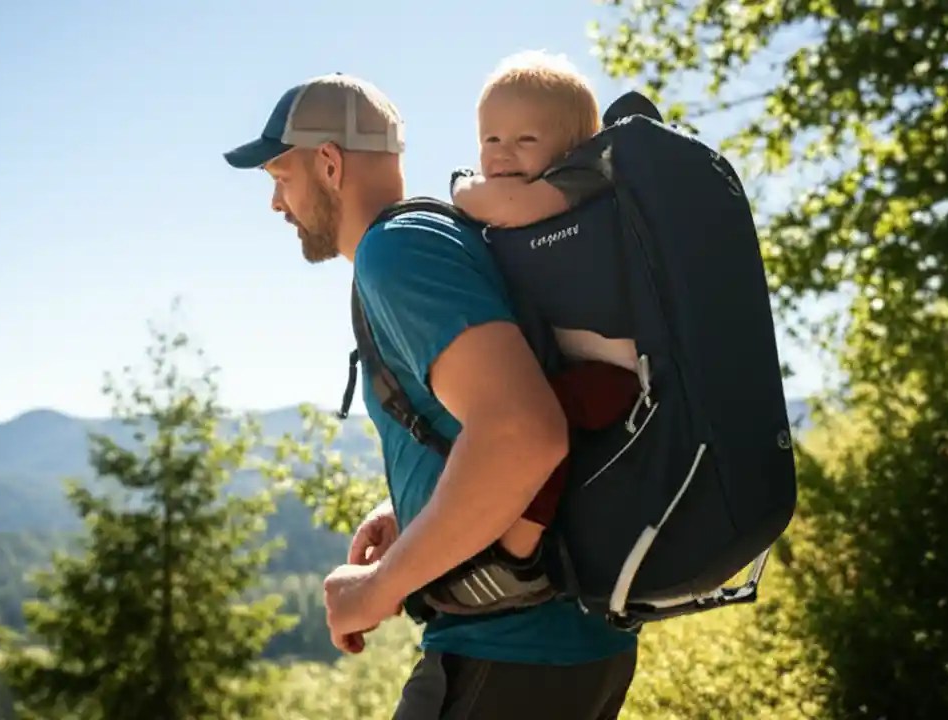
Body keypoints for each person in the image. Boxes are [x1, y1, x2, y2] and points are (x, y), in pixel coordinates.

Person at [223, 68, 638, 718]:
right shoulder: (443, 239)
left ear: (329, 163)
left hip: (505, 655)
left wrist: (377, 589)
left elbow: (524, 432)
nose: (277, 203)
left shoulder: (397, 254)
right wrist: (414, 512)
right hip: (562, 651)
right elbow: (494, 418)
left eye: (281, 177)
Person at [411, 50, 647, 618]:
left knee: (542, 417)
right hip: (592, 370)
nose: (501, 154)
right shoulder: (557, 188)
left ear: (570, 149)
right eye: (490, 140)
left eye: (524, 140)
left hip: (618, 378)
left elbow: (508, 205)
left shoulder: (583, 179)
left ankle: (516, 554)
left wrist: (462, 190)